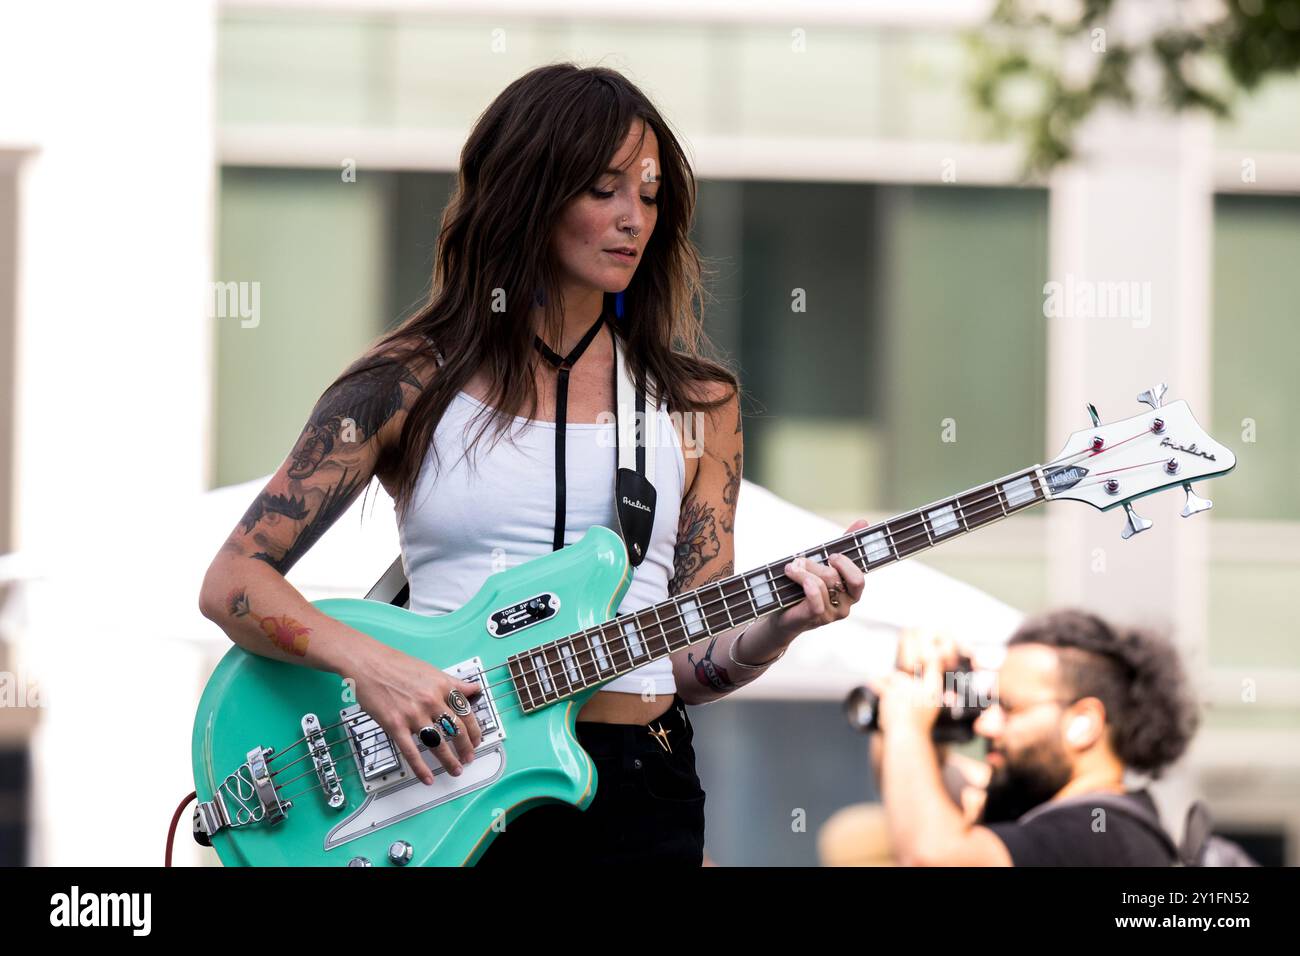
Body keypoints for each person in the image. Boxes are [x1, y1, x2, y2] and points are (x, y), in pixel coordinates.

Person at [198, 63, 869, 866]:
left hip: (638, 785)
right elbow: (235, 581)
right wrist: (377, 668)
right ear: (528, 194)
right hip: (446, 783)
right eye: (603, 190)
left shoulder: (697, 403)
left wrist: (781, 626)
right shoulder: (406, 380)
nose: (634, 220)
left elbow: (689, 660)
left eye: (650, 197)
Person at [868, 609, 1201, 866]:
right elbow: (916, 791)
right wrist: (922, 684)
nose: (986, 725)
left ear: (1083, 723)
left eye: (1009, 708)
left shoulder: (1098, 835)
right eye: (989, 704)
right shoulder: (1043, 809)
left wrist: (907, 725)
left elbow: (931, 858)